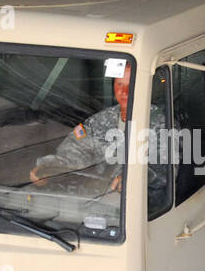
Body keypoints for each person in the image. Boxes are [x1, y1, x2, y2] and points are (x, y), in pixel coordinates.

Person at [30, 67, 167, 201]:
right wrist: (51, 168)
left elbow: (165, 170)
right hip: (98, 198)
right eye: (120, 84)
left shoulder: (161, 124)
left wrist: (133, 179)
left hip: (140, 205)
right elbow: (77, 149)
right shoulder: (104, 118)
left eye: (131, 85)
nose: (124, 92)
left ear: (145, 87)